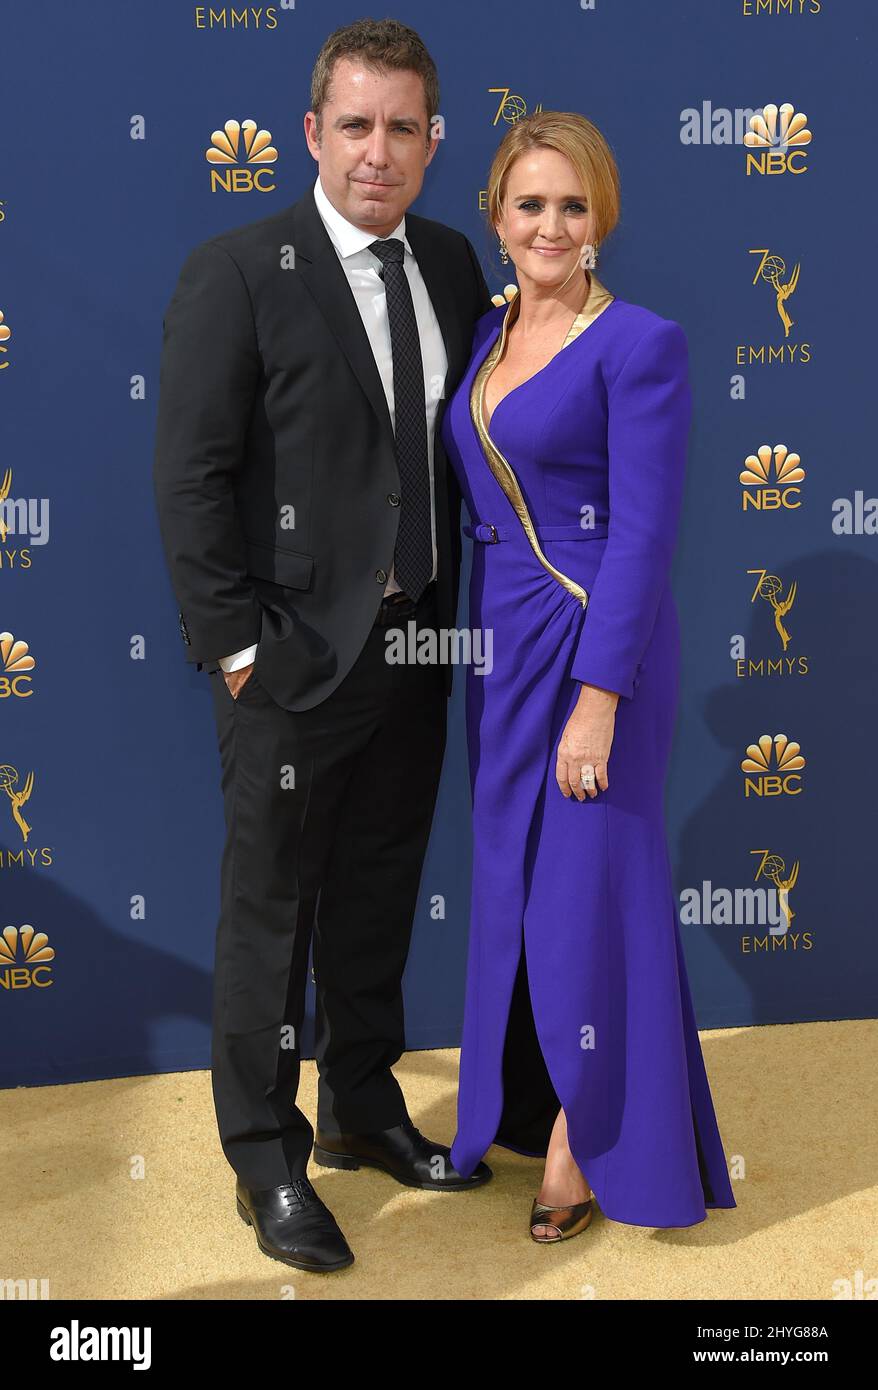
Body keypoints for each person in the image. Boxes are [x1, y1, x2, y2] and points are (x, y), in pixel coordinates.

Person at [152, 18, 494, 1275]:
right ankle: (264, 1156)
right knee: (269, 913)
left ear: (431, 140)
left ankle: (360, 1103)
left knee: (377, 887)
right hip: (290, 659)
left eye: (404, 127)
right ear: (311, 133)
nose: (378, 151)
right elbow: (191, 475)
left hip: (415, 648)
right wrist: (235, 648)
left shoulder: (454, 264)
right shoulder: (240, 269)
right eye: (355, 124)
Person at [440, 111, 737, 1241]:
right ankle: (522, 1106)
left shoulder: (638, 343)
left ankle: (589, 1140)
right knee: (517, 890)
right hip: (500, 651)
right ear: (496, 216)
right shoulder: (486, 332)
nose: (550, 224)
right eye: (529, 205)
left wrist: (599, 697)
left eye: (572, 205)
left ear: (600, 216)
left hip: (591, 648)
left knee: (588, 896)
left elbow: (643, 536)